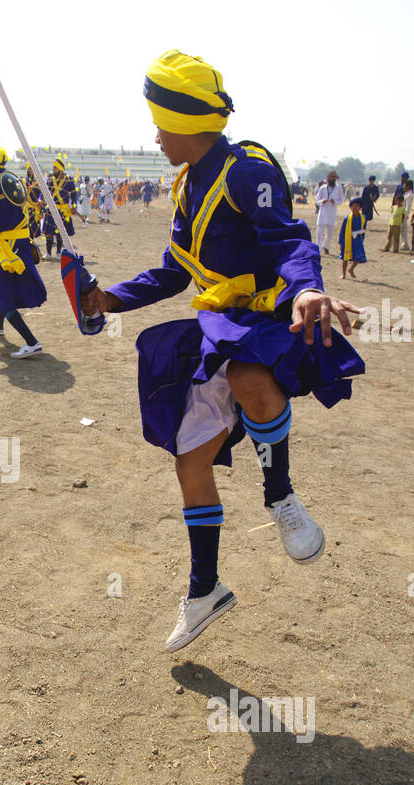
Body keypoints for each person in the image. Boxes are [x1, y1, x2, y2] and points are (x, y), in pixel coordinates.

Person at [78, 51, 364, 652]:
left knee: (246, 374)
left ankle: (279, 493)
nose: (154, 135)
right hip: (216, 324)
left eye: (159, 122)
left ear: (187, 121)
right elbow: (173, 273)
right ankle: (205, 589)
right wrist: (108, 300)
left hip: (263, 321)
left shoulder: (246, 172)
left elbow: (289, 238)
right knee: (190, 462)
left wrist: (309, 285)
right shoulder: (187, 185)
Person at [0, 144, 46, 358]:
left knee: (4, 292)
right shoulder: (15, 179)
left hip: (7, 246)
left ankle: (32, 342)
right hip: (21, 241)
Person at [314, 171, 344, 256]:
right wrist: (322, 201)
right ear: (328, 177)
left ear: (336, 178)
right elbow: (317, 200)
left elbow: (341, 199)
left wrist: (335, 202)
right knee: (319, 231)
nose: (332, 178)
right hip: (323, 211)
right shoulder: (323, 188)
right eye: (331, 176)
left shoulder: (339, 188)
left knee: (329, 233)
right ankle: (318, 248)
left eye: (334, 177)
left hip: (332, 211)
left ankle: (326, 246)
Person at [340, 198, 367, 277]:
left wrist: (362, 238)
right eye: (353, 206)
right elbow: (342, 231)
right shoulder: (347, 219)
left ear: (360, 208)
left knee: (358, 256)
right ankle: (343, 274)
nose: (354, 208)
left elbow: (363, 228)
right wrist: (341, 243)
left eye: (356, 206)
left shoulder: (363, 218)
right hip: (348, 239)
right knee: (345, 257)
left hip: (357, 239)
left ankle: (351, 269)